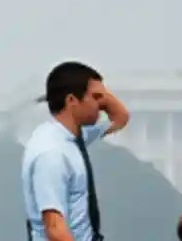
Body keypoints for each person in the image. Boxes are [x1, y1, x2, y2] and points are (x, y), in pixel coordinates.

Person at [21, 61, 131, 241]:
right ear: (72, 100)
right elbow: (55, 227)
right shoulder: (51, 153)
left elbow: (120, 118)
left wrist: (103, 95)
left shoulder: (73, 138)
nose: (100, 105)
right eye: (95, 98)